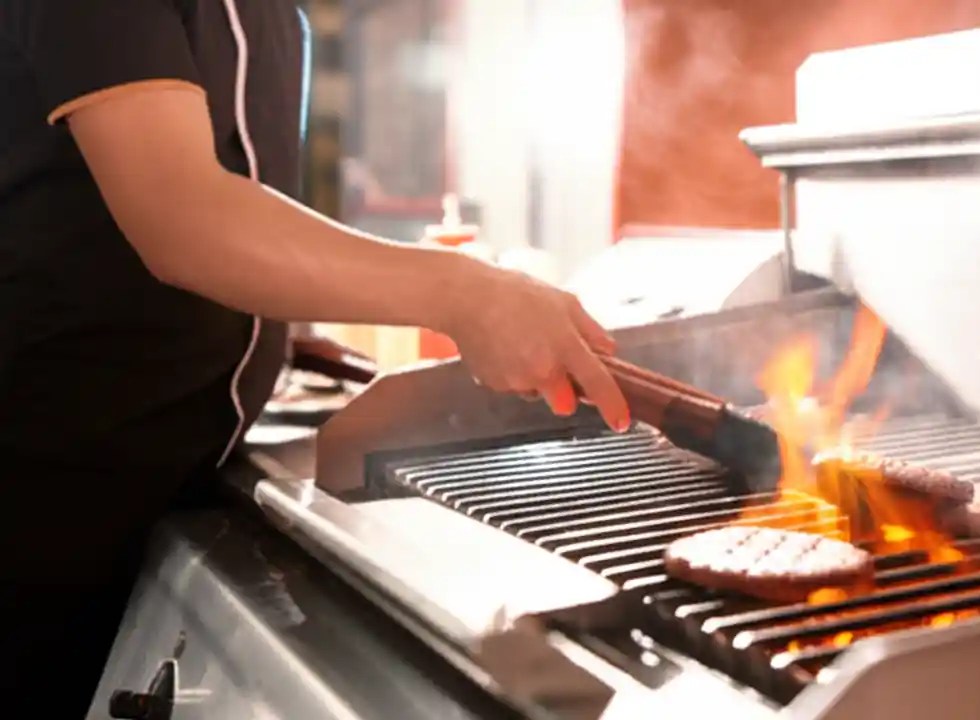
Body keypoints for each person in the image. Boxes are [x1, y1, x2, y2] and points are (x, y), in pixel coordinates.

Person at [0, 1, 630, 716]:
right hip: (38, 504)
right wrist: (465, 293)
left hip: (151, 493)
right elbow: (180, 214)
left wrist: (263, 325)